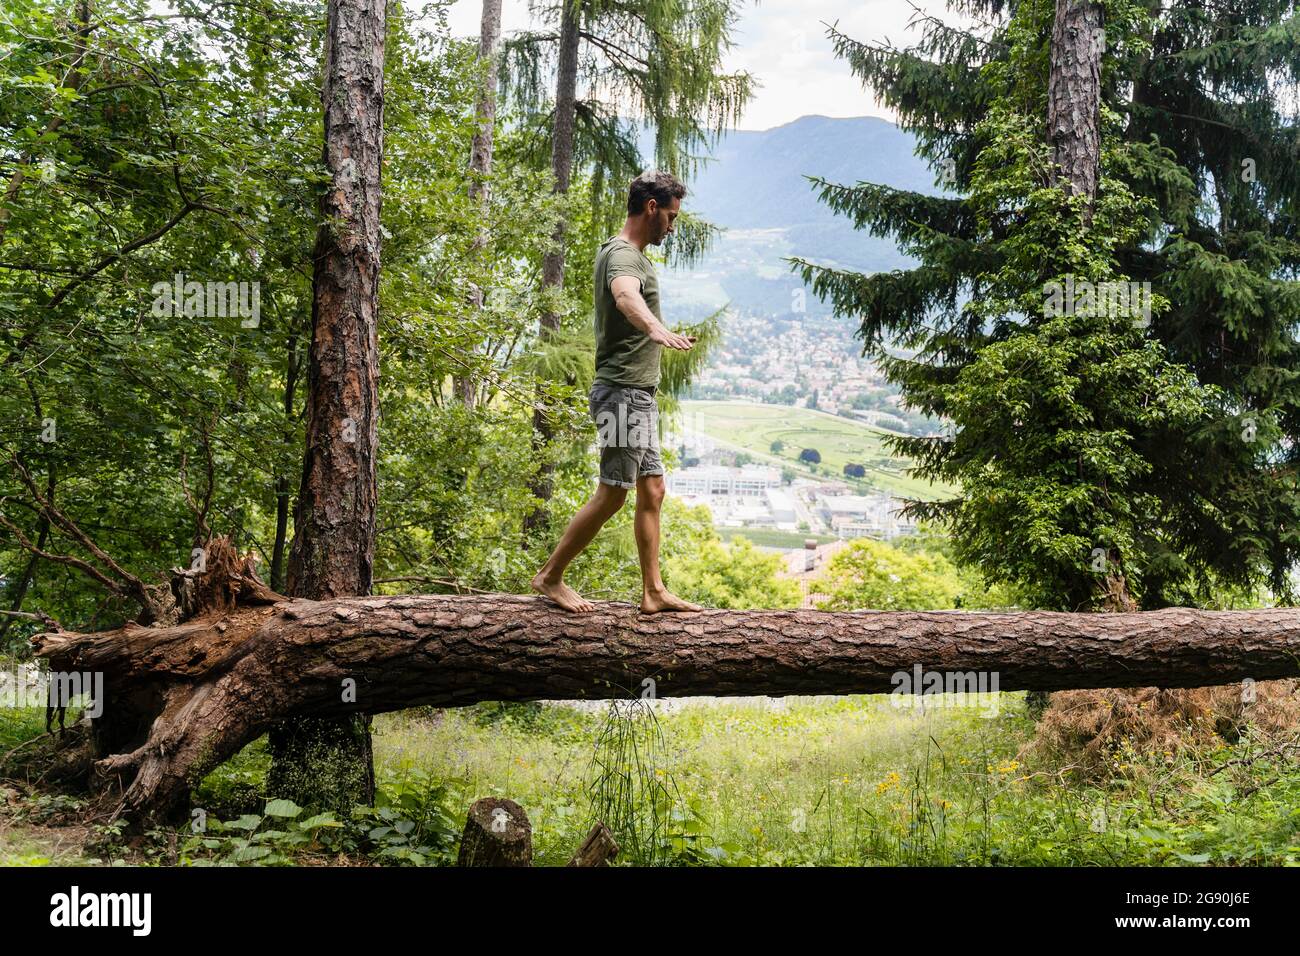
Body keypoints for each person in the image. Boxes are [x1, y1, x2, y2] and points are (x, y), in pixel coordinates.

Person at [531, 170, 703, 614]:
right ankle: (550, 576)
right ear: (651, 208)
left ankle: (653, 592)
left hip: (636, 394)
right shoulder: (623, 256)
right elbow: (625, 297)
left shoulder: (632, 254)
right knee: (613, 491)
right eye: (670, 215)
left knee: (653, 489)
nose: (672, 225)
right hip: (623, 394)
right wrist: (656, 328)